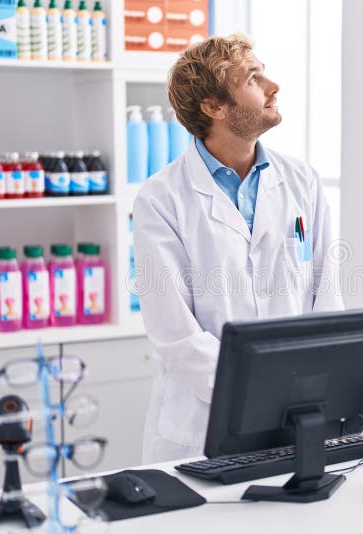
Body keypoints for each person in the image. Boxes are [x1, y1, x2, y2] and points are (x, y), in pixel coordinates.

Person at [132, 33, 343, 463]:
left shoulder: (302, 182)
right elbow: (175, 332)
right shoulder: (160, 199)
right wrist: (262, 390)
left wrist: (312, 387)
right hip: (203, 424)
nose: (273, 86)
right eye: (253, 78)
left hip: (296, 419)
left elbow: (327, 296)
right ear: (214, 107)